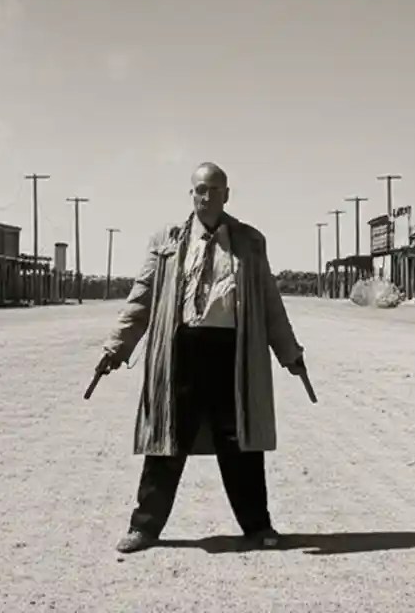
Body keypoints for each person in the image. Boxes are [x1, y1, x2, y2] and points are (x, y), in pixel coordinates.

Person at [95, 161, 308, 554]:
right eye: (199, 190)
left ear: (227, 195)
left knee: (240, 442)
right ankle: (144, 527)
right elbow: (140, 300)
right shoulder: (168, 241)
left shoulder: (248, 242)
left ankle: (258, 527)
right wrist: (117, 347)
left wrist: (289, 352)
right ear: (190, 194)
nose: (205, 198)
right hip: (182, 352)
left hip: (233, 352)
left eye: (213, 190)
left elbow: (270, 305)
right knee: (166, 441)